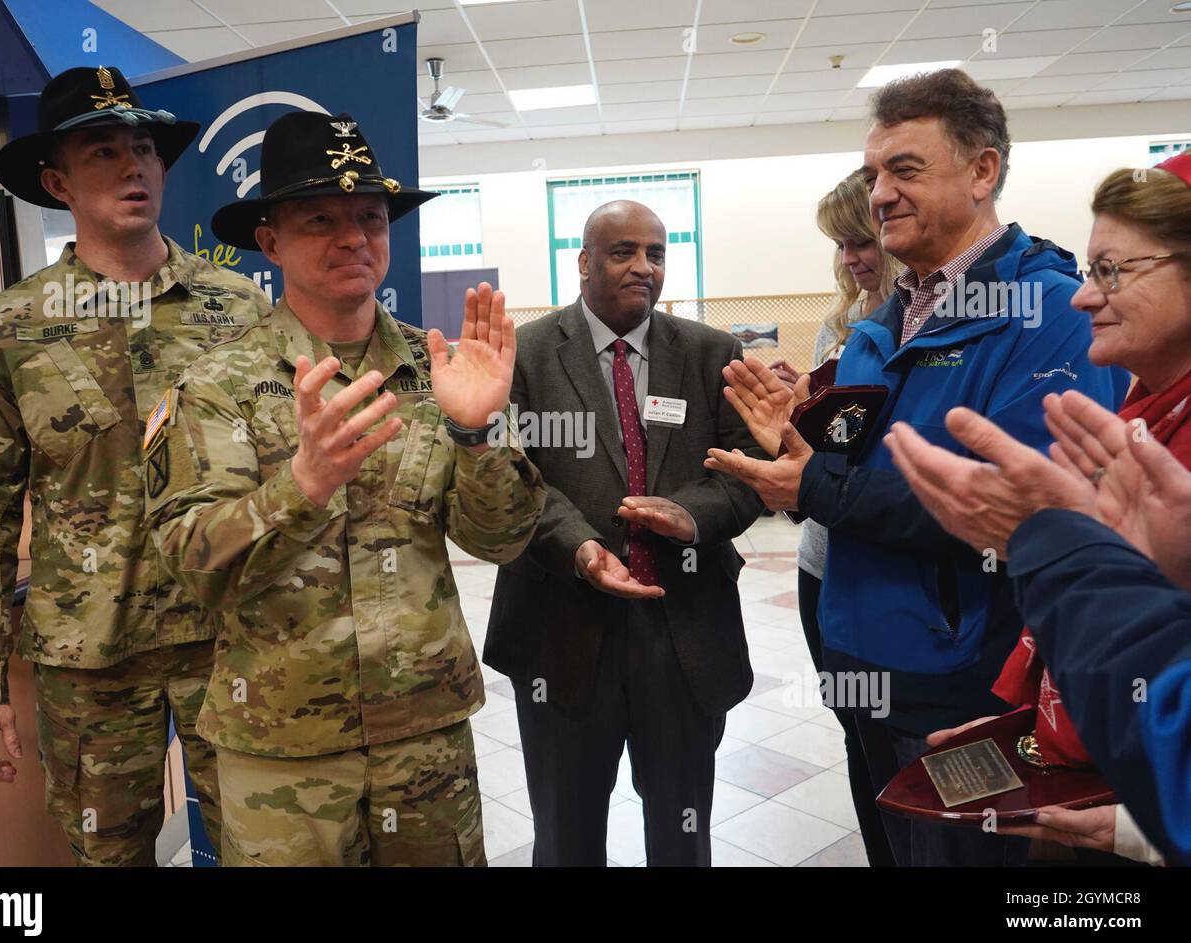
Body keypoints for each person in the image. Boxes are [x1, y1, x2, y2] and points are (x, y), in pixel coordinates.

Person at [702, 68, 1129, 866]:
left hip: (967, 680)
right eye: (873, 176)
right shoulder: (883, 325)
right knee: (895, 849)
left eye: (905, 170)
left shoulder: (1045, 317)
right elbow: (850, 480)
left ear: (982, 171)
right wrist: (797, 456)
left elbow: (1013, 514)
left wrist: (816, 483)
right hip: (862, 655)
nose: (882, 195)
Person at [147, 111, 544, 866]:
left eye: (369, 217)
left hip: (424, 741)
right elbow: (186, 555)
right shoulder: (214, 385)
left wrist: (476, 433)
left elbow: (503, 538)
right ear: (270, 240)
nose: (353, 237)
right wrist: (301, 485)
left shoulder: (441, 372)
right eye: (320, 219)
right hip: (283, 751)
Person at [0, 66, 270, 866]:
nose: (132, 167)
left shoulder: (241, 312)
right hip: (91, 661)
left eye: (144, 148)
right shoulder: (5, 332)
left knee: (267, 849)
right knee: (107, 857)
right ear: (56, 182)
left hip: (233, 640)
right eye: (103, 151)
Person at [886, 149, 1191, 864]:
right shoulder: (1146, 416)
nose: (1085, 298)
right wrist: (1028, 736)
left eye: (1113, 271)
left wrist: (1139, 833)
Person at [483, 199, 764, 866]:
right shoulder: (523, 355)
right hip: (561, 629)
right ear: (582, 262)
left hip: (685, 632)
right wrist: (578, 544)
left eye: (656, 253)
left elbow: (750, 473)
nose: (644, 266)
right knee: (566, 831)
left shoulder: (711, 353)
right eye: (623, 252)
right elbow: (509, 475)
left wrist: (691, 515)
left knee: (683, 830)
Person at [790, 172, 900, 866]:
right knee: (854, 729)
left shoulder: (929, 327)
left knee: (900, 740)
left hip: (888, 562)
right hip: (821, 561)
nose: (852, 258)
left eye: (862, 241)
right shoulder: (837, 327)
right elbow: (819, 444)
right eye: (840, 245)